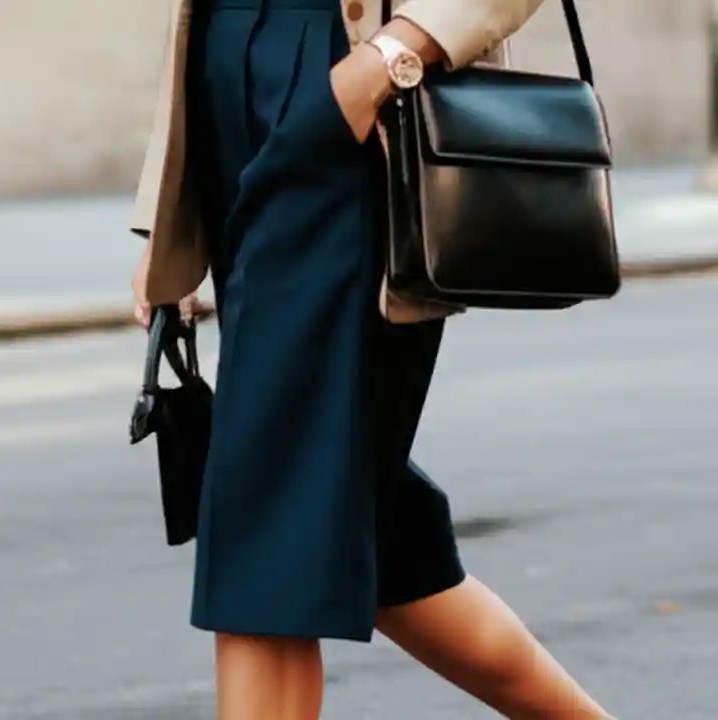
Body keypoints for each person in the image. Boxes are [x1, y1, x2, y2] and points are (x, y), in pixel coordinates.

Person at [130, 0, 617, 717]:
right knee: (377, 548)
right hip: (234, 95)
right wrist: (170, 219)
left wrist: (383, 63)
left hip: (352, 100)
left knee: (267, 544)